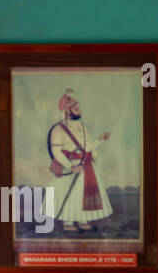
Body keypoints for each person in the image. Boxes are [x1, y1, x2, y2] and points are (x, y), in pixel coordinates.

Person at [47, 90, 112, 232]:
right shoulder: (58, 129)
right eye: (76, 109)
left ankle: (83, 221)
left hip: (86, 167)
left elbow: (88, 147)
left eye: (79, 107)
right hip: (69, 167)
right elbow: (56, 151)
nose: (80, 110)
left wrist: (100, 140)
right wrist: (70, 166)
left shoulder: (83, 127)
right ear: (67, 111)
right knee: (69, 195)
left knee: (83, 195)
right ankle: (68, 223)